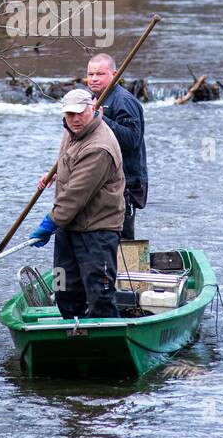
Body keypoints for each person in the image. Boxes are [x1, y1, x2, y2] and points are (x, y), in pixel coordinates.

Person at [30, 87, 125, 319]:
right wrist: (55, 173)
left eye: (79, 113)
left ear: (92, 109)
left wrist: (49, 223)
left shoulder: (99, 148)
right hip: (69, 226)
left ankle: (106, 345)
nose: (74, 119)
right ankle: (70, 334)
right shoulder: (71, 130)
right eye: (69, 114)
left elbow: (76, 194)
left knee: (99, 293)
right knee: (63, 289)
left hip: (97, 231)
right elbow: (70, 159)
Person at [86, 53, 147, 240]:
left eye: (100, 74)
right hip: (103, 181)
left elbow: (131, 140)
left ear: (114, 74)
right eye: (91, 74)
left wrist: (100, 119)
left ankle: (122, 270)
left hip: (126, 184)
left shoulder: (124, 101)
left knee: (122, 240)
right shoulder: (93, 100)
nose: (94, 78)